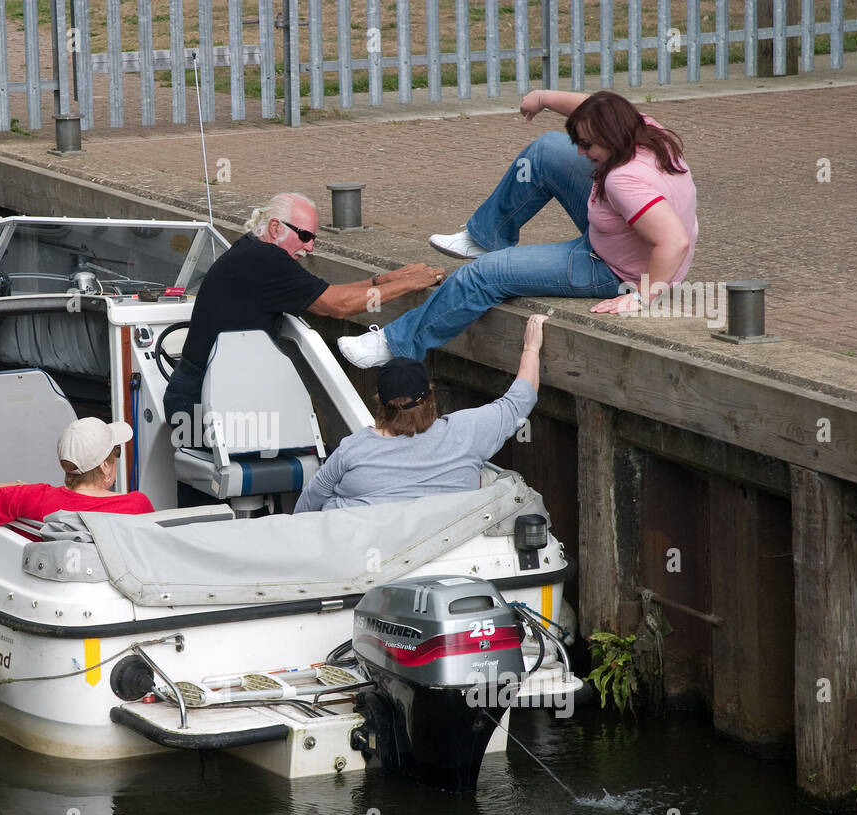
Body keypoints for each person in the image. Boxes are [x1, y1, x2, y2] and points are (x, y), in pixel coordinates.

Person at [338, 90, 697, 368]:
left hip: (615, 268)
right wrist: (541, 98)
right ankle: (486, 236)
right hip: (619, 233)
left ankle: (394, 344)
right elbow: (590, 105)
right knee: (545, 151)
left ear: (611, 138)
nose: (582, 152)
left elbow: (674, 241)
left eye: (587, 146)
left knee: (482, 275)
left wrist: (641, 296)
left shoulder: (624, 180)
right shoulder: (642, 129)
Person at [164, 191, 444, 438]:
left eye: (314, 239)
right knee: (213, 482)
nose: (310, 247)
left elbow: (327, 293)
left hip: (203, 390)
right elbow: (337, 306)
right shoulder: (267, 261)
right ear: (275, 227)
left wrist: (385, 281)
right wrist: (409, 284)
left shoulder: (252, 251)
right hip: (202, 397)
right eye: (305, 236)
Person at [295, 314, 548, 512]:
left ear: (380, 403)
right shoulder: (468, 432)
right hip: (444, 548)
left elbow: (309, 503)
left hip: (362, 555)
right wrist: (530, 348)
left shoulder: (353, 450)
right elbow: (520, 400)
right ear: (430, 397)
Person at [0, 417, 153, 526]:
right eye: (115, 453)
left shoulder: (36, 498)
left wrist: (20, 489)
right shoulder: (136, 505)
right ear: (104, 466)